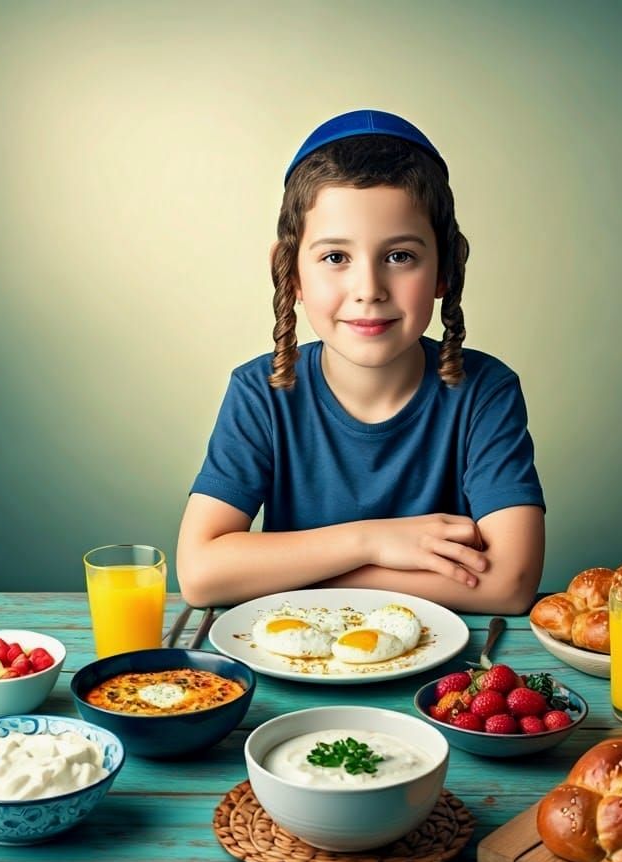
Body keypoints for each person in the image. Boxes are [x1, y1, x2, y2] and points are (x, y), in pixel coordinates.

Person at [176, 109, 545, 613]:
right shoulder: (260, 391)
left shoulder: (485, 391)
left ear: (445, 269)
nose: (369, 290)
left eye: (400, 257)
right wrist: (372, 541)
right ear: (291, 275)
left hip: (441, 682)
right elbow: (200, 574)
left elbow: (511, 584)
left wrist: (301, 575)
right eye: (335, 258)